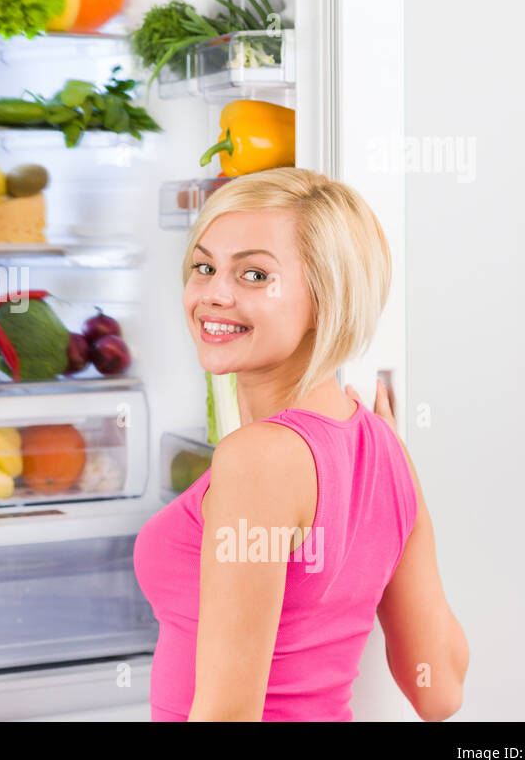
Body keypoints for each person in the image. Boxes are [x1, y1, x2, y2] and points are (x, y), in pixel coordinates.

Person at [133, 167, 468, 721]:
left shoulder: (257, 460)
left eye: (255, 275)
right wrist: (401, 473)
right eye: (204, 266)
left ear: (326, 298)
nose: (214, 294)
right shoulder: (381, 445)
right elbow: (439, 689)